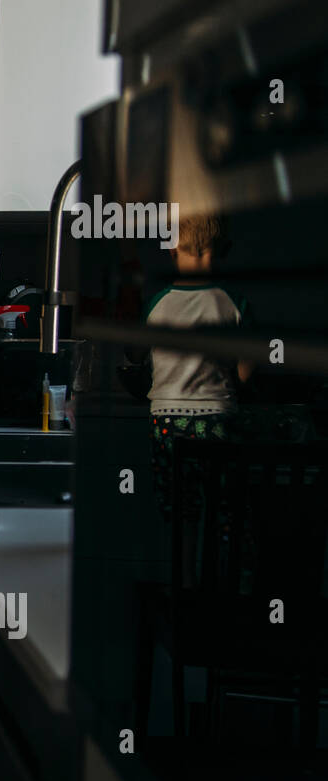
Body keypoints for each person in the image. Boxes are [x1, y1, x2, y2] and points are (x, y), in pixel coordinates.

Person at [145, 213, 253, 575]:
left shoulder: (158, 302)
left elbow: (139, 356)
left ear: (175, 249)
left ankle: (185, 590)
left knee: (181, 514)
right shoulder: (233, 301)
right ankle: (221, 590)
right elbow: (244, 373)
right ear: (220, 250)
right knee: (225, 513)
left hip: (166, 420)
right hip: (218, 418)